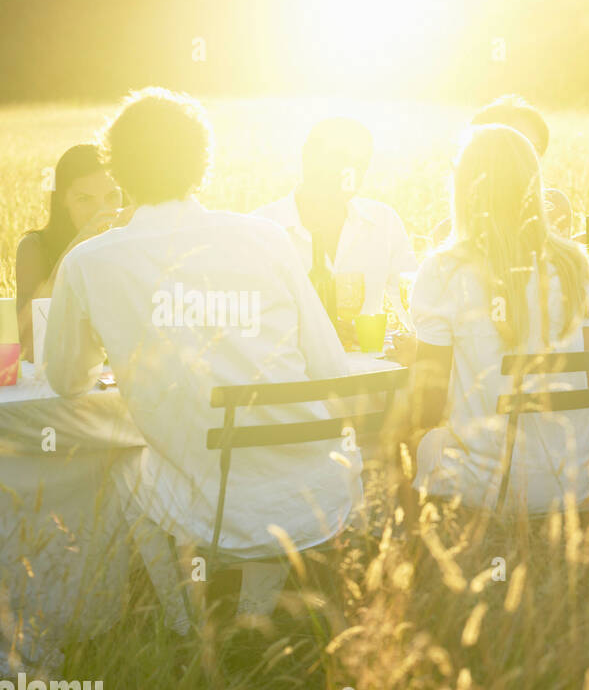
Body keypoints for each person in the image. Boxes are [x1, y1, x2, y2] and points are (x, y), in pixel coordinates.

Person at [45, 87, 361, 632]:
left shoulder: (89, 261)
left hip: (204, 513)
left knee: (125, 465)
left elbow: (66, 380)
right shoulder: (266, 237)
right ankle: (252, 617)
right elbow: (330, 368)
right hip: (311, 493)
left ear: (117, 170)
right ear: (202, 165)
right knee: (237, 464)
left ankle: (185, 624)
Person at [406, 124, 589, 513]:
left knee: (405, 438)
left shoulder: (445, 271)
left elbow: (427, 406)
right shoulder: (574, 262)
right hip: (571, 482)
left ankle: (412, 562)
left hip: (487, 487)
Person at [254, 117, 418, 329]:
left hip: (374, 363)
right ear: (307, 157)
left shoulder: (384, 221)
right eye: (338, 159)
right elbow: (252, 324)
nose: (349, 173)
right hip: (295, 362)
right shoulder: (260, 228)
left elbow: (416, 308)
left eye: (360, 165)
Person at [14, 145, 121, 361]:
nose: (101, 211)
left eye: (112, 196)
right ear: (63, 200)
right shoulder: (35, 248)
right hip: (59, 382)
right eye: (85, 199)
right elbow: (28, 343)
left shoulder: (131, 242)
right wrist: (73, 251)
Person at [470, 95, 574, 237]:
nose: (532, 157)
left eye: (536, 148)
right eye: (518, 146)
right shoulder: (449, 234)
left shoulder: (554, 208)